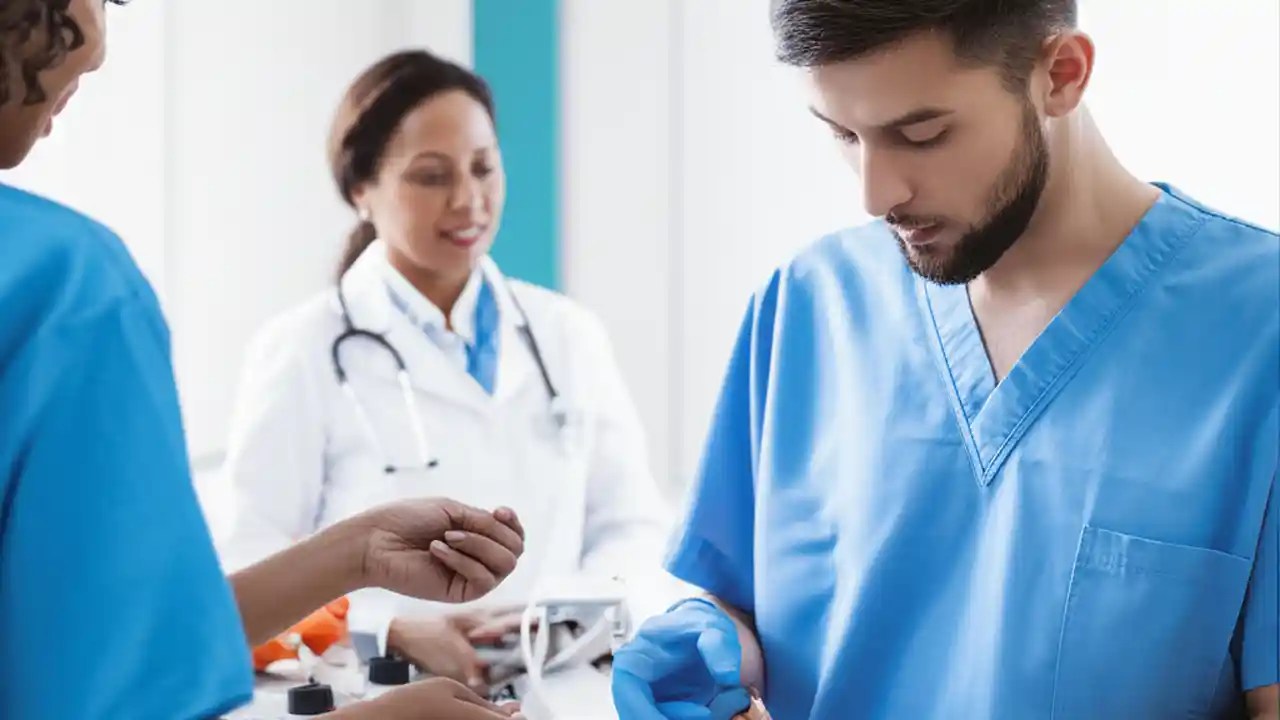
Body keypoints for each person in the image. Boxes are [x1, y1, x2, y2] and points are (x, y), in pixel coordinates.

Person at [612, 1, 1279, 719]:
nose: (876, 195)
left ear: (1061, 74)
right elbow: (747, 602)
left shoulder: (1256, 328)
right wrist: (714, 643)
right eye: (843, 134)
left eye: (922, 135)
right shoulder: (809, 304)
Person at [0, 2, 527, 718]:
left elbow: (108, 644)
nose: (98, 43)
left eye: (483, 168)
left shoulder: (54, 282)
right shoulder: (69, 290)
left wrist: (359, 552)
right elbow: (117, 692)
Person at [217, 49, 674, 692]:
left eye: (484, 168)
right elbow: (250, 561)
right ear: (361, 190)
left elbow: (631, 526)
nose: (468, 200)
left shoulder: (567, 334)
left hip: (559, 683)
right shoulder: (301, 348)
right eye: (431, 176)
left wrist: (569, 614)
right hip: (383, 689)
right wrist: (387, 629)